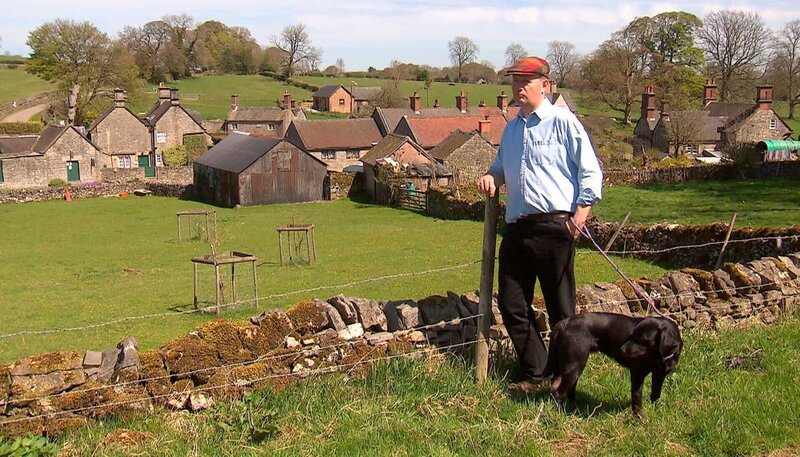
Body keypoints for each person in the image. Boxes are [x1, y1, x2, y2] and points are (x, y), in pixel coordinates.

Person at [477, 56, 603, 391]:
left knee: (562, 311)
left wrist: (579, 217)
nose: (518, 87)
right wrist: (492, 177)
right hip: (518, 228)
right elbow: (500, 167)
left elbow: (590, 170)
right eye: (514, 82)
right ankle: (538, 373)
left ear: (544, 86)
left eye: (525, 82)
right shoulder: (512, 129)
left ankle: (565, 381)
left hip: (555, 226)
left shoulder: (563, 122)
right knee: (512, 304)